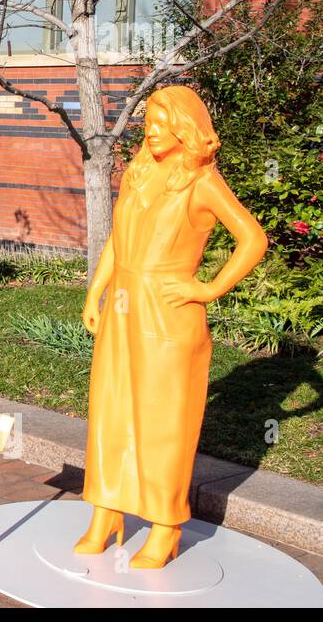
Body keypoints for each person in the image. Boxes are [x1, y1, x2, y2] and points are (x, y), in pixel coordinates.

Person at [76, 85, 267, 568]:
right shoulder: (138, 173)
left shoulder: (202, 181)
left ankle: (165, 526)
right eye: (148, 124)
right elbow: (118, 242)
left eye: (163, 124)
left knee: (164, 421)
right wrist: (95, 291)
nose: (153, 133)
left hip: (168, 312)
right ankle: (106, 511)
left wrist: (208, 288)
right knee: (110, 410)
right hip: (123, 304)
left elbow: (252, 238)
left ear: (186, 128)